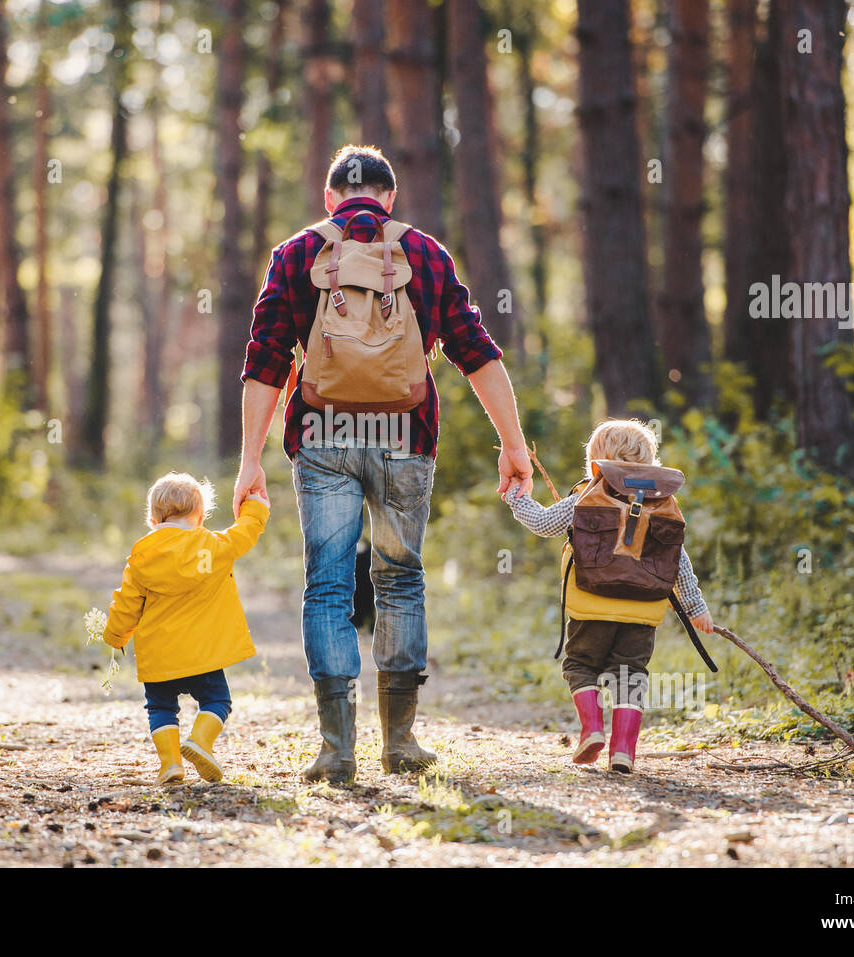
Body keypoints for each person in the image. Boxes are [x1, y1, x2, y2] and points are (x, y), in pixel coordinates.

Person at [234, 144, 533, 783]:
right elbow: (475, 351)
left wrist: (248, 462)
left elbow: (266, 361)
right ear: (390, 199)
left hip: (322, 435)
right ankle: (401, 743)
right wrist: (513, 444)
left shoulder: (296, 254)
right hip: (406, 438)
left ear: (329, 198)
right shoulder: (424, 253)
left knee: (329, 584)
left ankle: (336, 749)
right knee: (399, 579)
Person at [504, 419, 713, 773]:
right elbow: (677, 560)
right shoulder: (662, 503)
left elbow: (542, 525)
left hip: (591, 605)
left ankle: (592, 730)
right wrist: (696, 608)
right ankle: (623, 752)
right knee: (630, 674)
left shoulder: (587, 496)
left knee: (580, 665)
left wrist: (516, 498)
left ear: (595, 462)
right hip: (642, 612)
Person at [101, 472, 270, 785]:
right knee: (217, 701)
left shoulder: (142, 555)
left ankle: (170, 765)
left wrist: (115, 635)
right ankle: (200, 742)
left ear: (152, 518)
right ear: (200, 517)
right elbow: (244, 533)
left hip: (159, 655)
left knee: (161, 707)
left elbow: (126, 603)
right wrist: (256, 506)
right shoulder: (212, 547)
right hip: (202, 655)